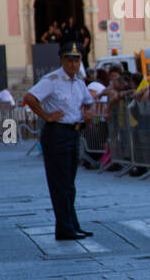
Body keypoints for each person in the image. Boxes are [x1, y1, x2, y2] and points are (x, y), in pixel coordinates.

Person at [23, 43, 96, 240]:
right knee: (60, 183)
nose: (73, 64)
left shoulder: (78, 82)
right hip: (57, 133)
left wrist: (89, 112)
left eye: (76, 60)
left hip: (73, 133)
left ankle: (71, 224)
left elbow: (89, 101)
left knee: (69, 183)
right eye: (69, 60)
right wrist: (46, 116)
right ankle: (65, 227)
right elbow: (29, 97)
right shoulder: (52, 80)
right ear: (62, 60)